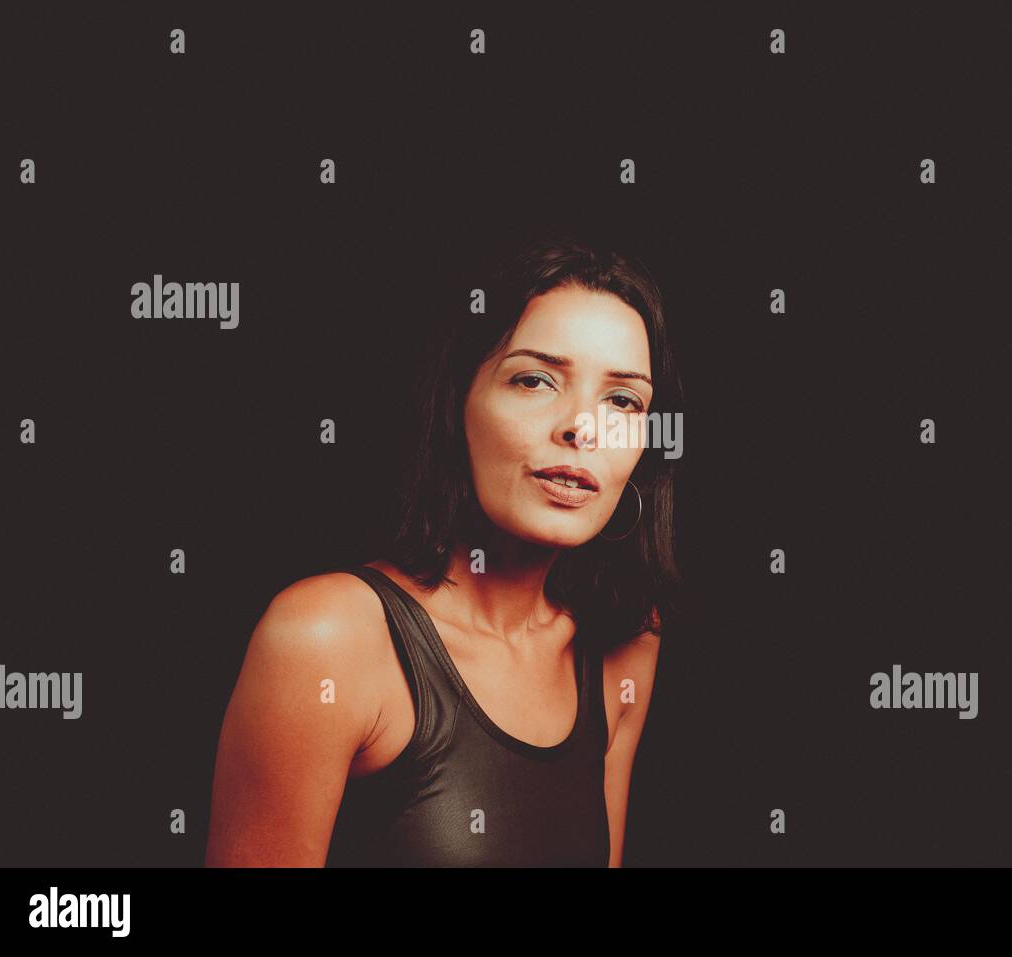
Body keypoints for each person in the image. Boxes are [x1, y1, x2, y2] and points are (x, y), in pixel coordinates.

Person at [204, 235, 683, 866]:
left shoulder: (626, 648)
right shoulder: (326, 638)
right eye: (536, 380)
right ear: (458, 404)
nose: (583, 428)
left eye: (622, 400)